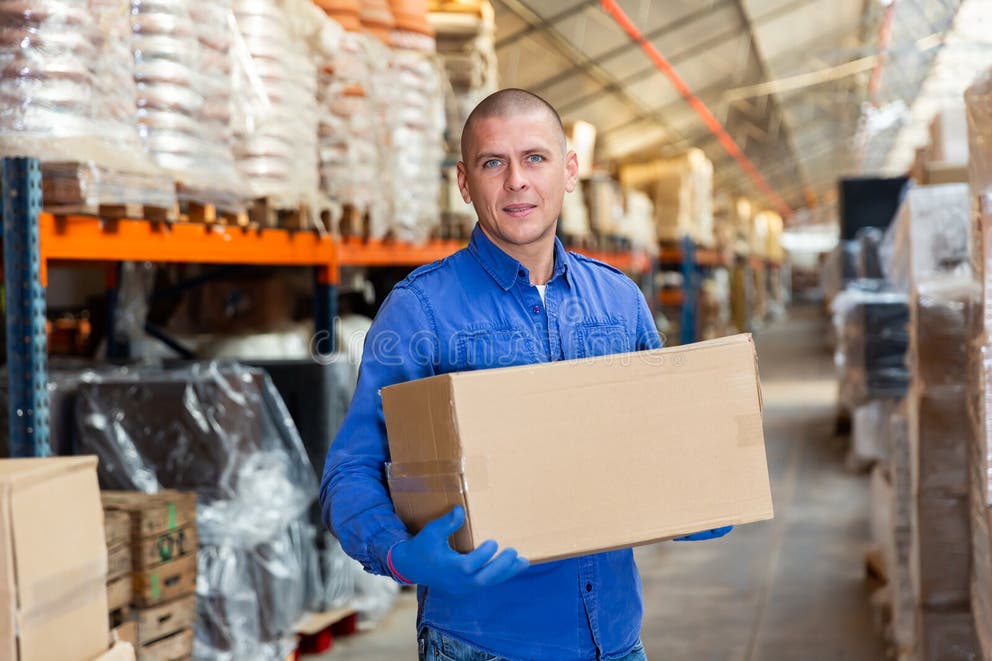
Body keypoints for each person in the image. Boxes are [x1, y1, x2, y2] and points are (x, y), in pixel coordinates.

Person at [320, 88, 731, 661]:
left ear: (568, 171)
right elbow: (352, 467)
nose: (516, 180)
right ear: (465, 183)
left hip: (615, 640)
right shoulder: (421, 311)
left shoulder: (619, 301)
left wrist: (701, 495)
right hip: (483, 645)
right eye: (494, 162)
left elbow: (657, 441)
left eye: (534, 158)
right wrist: (398, 553)